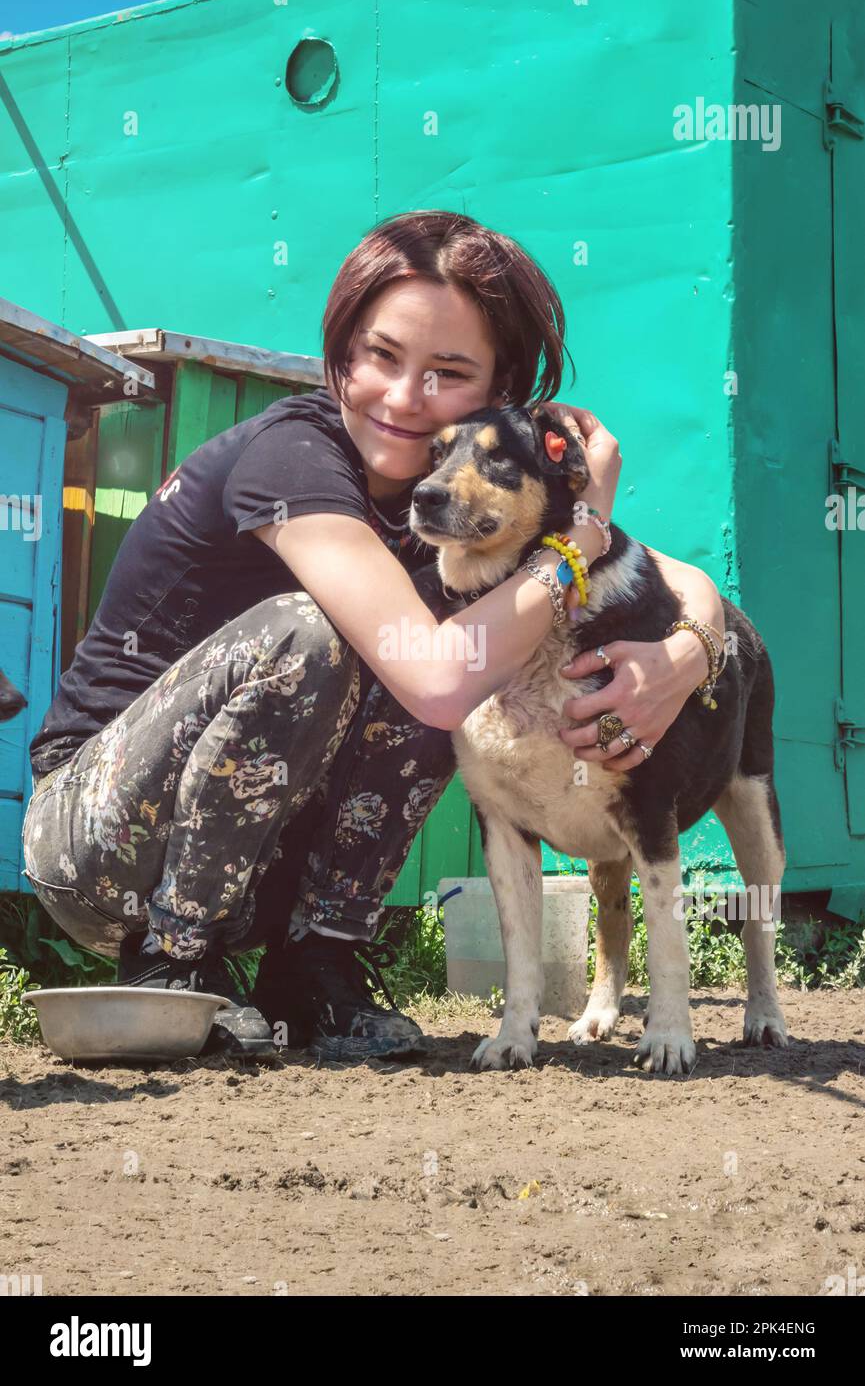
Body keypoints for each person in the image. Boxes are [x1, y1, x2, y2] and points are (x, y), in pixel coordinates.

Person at [21, 209, 725, 1062]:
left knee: (471, 641)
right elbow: (436, 680)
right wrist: (579, 533)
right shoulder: (293, 455)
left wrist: (684, 656)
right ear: (344, 351)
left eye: (447, 372)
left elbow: (687, 585)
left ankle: (313, 971)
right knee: (338, 639)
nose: (402, 398)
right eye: (381, 356)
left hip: (257, 862)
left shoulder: (468, 493)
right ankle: (174, 964)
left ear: (499, 391)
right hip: (98, 839)